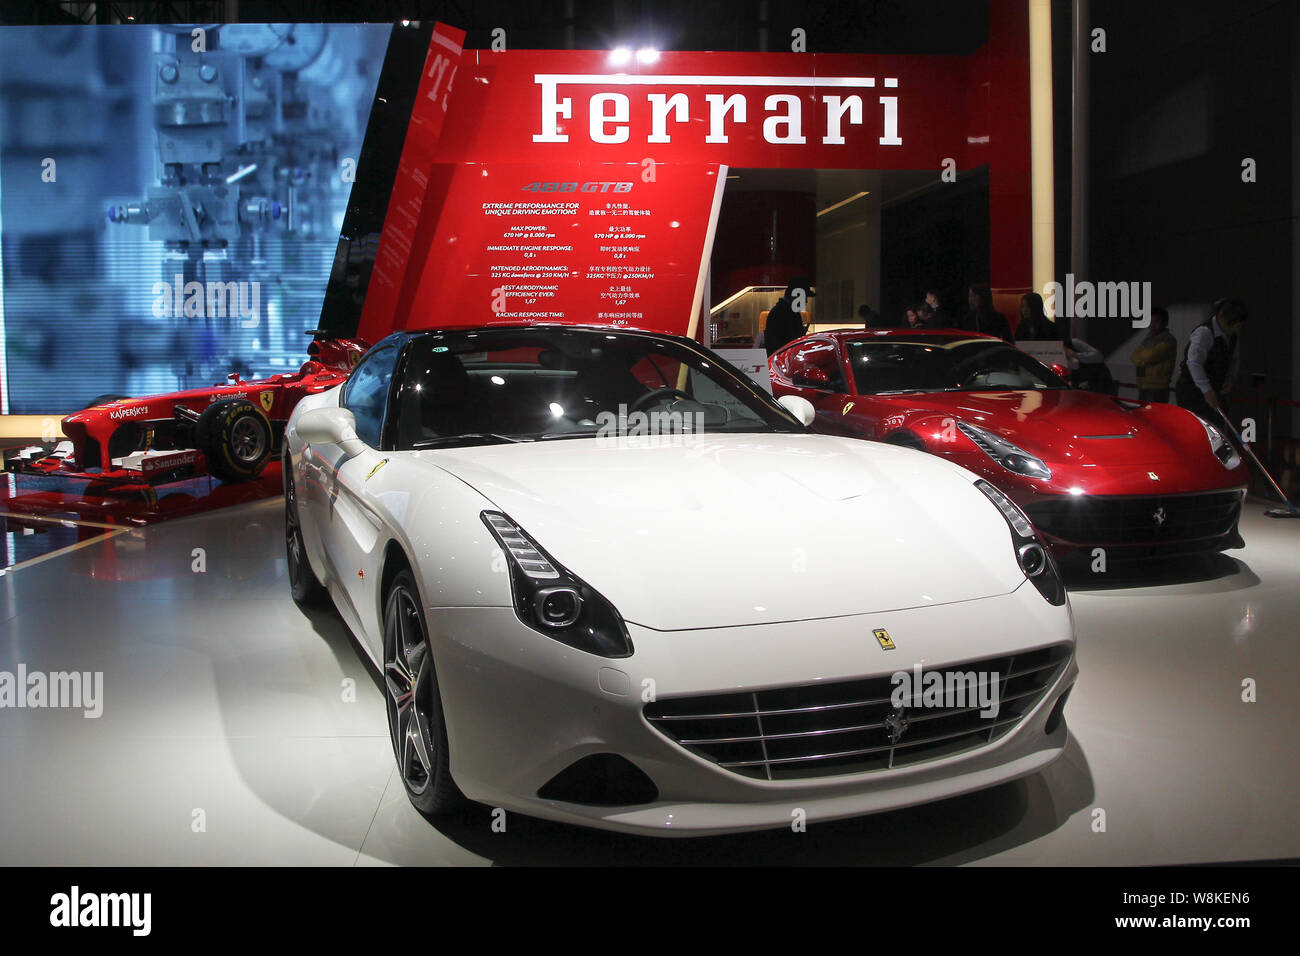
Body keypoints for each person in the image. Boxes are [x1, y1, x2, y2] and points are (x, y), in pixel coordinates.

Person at [1175, 297, 1248, 420]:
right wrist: (1207, 390)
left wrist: (1231, 377)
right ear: (1226, 320)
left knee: (1217, 426)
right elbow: (1194, 363)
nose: (1239, 328)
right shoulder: (1204, 333)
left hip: (1215, 389)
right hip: (1193, 392)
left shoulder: (1232, 335)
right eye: (1238, 324)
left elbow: (1234, 359)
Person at [1130, 306, 1177, 403]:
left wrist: (1142, 357)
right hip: (1143, 385)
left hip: (1158, 388)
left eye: (1156, 321)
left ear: (1165, 323)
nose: (1152, 325)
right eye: (1150, 321)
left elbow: (1148, 357)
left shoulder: (1168, 340)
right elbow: (1134, 358)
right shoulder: (1147, 339)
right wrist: (1139, 378)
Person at [763, 277, 814, 356]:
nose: (806, 301)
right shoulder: (786, 313)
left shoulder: (782, 310)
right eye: (805, 297)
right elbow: (789, 342)